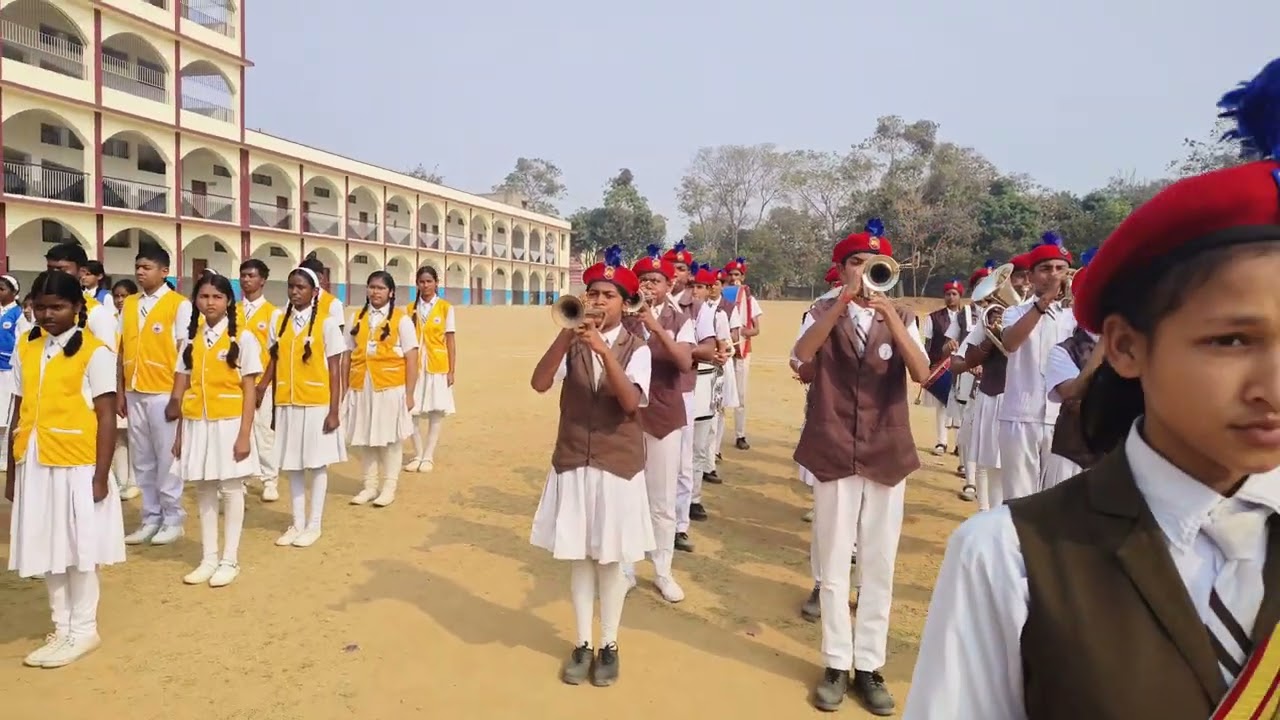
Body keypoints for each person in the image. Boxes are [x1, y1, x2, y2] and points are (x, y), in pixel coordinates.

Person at [904, 57, 1280, 720]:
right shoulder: (1008, 558)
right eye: (1231, 341)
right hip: (1013, 422)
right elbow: (1002, 361)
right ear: (1127, 345)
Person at [793, 219, 930, 714]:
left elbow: (921, 371)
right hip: (832, 449)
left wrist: (891, 316)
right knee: (832, 563)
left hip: (886, 452)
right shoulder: (821, 311)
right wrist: (842, 304)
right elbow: (803, 356)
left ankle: (869, 665)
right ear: (841, 269)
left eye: (873, 266)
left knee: (879, 564)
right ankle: (835, 659)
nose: (864, 273)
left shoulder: (905, 317)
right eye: (855, 264)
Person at [529, 245, 655, 688]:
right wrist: (567, 335)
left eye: (608, 294)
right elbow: (540, 382)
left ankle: (610, 643)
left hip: (617, 467)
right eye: (593, 293)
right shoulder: (572, 341)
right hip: (574, 463)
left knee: (610, 557)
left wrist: (603, 350)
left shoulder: (638, 348)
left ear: (625, 303)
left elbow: (629, 402)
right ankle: (582, 643)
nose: (599, 301)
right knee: (580, 556)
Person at [6, 271, 125, 668]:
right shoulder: (27, 345)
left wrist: (100, 475)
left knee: (78, 547)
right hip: (35, 457)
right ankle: (61, 625)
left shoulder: (96, 351)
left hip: (77, 461)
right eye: (40, 307)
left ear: (77, 307)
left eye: (56, 307)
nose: (47, 314)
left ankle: (84, 628)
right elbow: (18, 406)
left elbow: (107, 416)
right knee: (46, 543)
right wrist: (11, 466)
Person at [168, 271, 260, 588]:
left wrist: (245, 434)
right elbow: (184, 388)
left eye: (217, 297)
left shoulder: (243, 339)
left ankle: (229, 559)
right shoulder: (191, 341)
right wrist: (180, 435)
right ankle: (208, 558)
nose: (210, 302)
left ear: (228, 301)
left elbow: (249, 391)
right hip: (197, 423)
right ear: (196, 300)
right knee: (204, 489)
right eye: (204, 296)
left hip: (229, 423)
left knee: (231, 489)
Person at [621, 245, 695, 603]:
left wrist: (655, 326)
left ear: (670, 285)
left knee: (662, 501)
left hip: (665, 416)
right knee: (626, 495)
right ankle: (626, 568)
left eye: (657, 280)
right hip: (628, 416)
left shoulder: (681, 319)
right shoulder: (623, 316)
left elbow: (683, 361)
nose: (650, 285)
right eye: (645, 280)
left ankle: (663, 570)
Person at [265, 267, 346, 547]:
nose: (295, 292)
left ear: (314, 292)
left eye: (301, 287)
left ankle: (314, 524)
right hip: (287, 403)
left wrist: (334, 410)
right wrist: (275, 408)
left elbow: (335, 370)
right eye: (291, 287)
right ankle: (297, 522)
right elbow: (275, 365)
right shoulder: (279, 321)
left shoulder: (327, 323)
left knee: (316, 463)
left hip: (316, 404)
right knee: (293, 465)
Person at [995, 232, 1077, 501]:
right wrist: (1043, 304)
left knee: (1060, 501)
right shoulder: (1015, 312)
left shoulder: (1076, 317)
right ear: (1030, 277)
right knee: (1019, 500)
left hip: (1064, 421)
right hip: (1020, 416)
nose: (1053, 275)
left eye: (1060, 269)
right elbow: (1010, 343)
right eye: (1045, 269)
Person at [119, 244, 192, 546]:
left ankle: (173, 518)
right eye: (138, 266)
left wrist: (177, 397)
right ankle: (151, 517)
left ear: (164, 272)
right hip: (134, 390)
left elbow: (184, 353)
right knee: (143, 459)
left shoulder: (179, 304)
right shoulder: (130, 304)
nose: (140, 272)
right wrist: (122, 391)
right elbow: (121, 347)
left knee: (167, 459)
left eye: (146, 267)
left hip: (163, 391)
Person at [345, 271, 417, 507]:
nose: (375, 292)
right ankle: (369, 485)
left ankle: (389, 486)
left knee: (390, 440)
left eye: (380, 288)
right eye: (371, 287)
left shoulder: (401, 320)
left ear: (391, 292)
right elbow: (347, 354)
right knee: (366, 437)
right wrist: (345, 387)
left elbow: (412, 358)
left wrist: (409, 393)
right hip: (361, 385)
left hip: (389, 387)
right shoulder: (356, 317)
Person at [1043, 252, 1103, 486]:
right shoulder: (1063, 351)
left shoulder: (1135, 350)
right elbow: (1073, 397)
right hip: (1070, 459)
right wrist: (1106, 346)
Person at [664, 243, 703, 551]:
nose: (674, 274)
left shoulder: (696, 306)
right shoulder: (643, 302)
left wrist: (684, 348)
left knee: (682, 461)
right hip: (647, 390)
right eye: (670, 268)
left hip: (683, 388)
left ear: (688, 275)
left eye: (680, 269)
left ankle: (679, 524)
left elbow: (709, 347)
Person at [237, 259, 283, 502]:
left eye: (251, 276)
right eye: (243, 275)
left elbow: (276, 353)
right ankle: (242, 478)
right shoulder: (232, 310)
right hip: (235, 383)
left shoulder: (273, 313)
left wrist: (264, 384)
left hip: (261, 384)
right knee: (239, 431)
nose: (246, 280)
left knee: (264, 432)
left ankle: (269, 479)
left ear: (262, 280)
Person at [689, 263, 733, 512]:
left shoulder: (717, 315)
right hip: (681, 382)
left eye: (700, 287)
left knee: (699, 444)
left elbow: (726, 347)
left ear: (708, 290)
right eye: (692, 286)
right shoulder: (680, 312)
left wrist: (720, 354)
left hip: (705, 381)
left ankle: (694, 499)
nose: (695, 291)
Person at [403, 265, 455, 474]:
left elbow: (450, 340)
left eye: (429, 281)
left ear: (436, 283)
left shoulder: (445, 308)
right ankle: (417, 453)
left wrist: (452, 370)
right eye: (422, 282)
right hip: (415, 367)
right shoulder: (409, 310)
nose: (425, 285)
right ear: (417, 284)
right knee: (411, 410)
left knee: (436, 410)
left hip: (437, 366)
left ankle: (428, 456)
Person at [920, 278, 969, 456]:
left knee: (961, 405)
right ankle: (941, 442)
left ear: (960, 296)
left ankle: (959, 443)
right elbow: (927, 342)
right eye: (948, 294)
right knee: (942, 405)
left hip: (962, 366)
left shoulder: (968, 316)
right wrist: (928, 364)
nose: (950, 297)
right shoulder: (934, 317)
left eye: (954, 294)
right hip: (941, 365)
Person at [723, 257, 762, 451]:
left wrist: (739, 332)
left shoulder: (749, 299)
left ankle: (740, 434)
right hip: (723, 352)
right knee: (719, 395)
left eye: (736, 274)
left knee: (740, 395)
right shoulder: (721, 295)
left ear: (743, 276)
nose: (733, 278)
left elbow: (756, 329)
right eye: (730, 274)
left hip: (742, 351)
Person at [43, 242, 117, 344]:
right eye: (50, 269)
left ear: (81, 271)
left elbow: (108, 356)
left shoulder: (98, 314)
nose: (54, 274)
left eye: (61, 269)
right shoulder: (41, 310)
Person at [108, 279, 140, 502]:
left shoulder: (136, 321)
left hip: (133, 384)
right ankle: (121, 481)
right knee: (118, 435)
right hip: (112, 383)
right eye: (117, 296)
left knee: (134, 436)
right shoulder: (110, 321)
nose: (120, 301)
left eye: (124, 296)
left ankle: (134, 481)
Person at [0, 274, 21, 468]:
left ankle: (5, 456)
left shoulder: (17, 314)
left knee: (5, 414)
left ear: (14, 292)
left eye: (2, 289)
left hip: (7, 370)